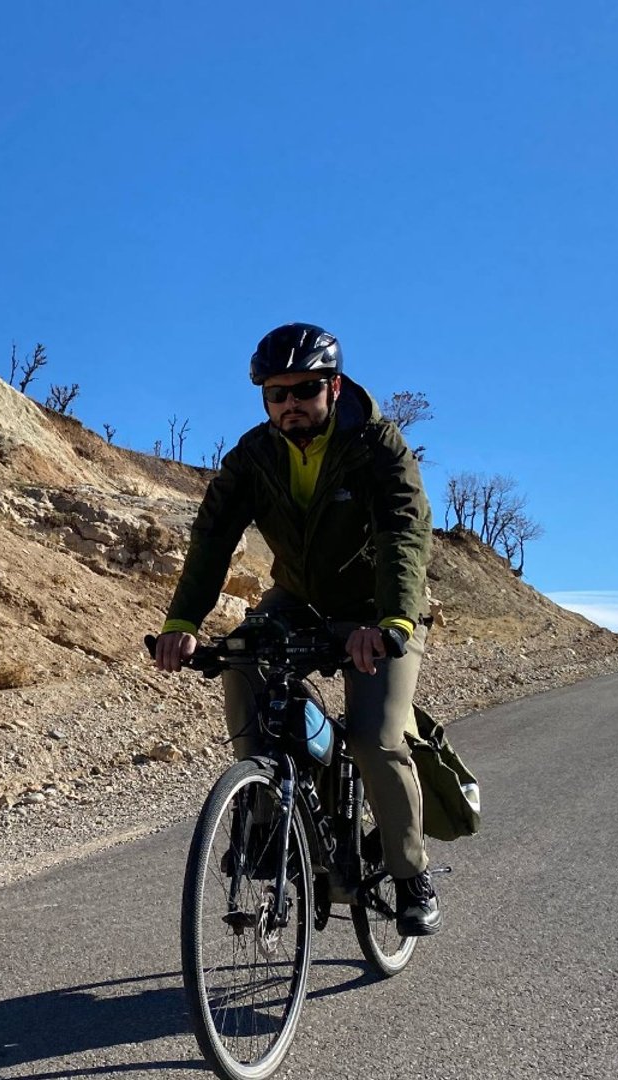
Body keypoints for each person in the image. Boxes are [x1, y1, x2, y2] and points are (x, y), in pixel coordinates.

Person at [152, 322, 440, 935]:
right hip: (299, 599)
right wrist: (182, 621)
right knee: (241, 663)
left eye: (304, 390)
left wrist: (391, 620)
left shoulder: (376, 445)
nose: (290, 405)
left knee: (375, 737)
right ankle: (265, 819)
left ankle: (412, 873)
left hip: (380, 606)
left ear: (333, 389)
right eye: (276, 393)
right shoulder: (254, 456)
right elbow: (211, 540)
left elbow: (403, 533)